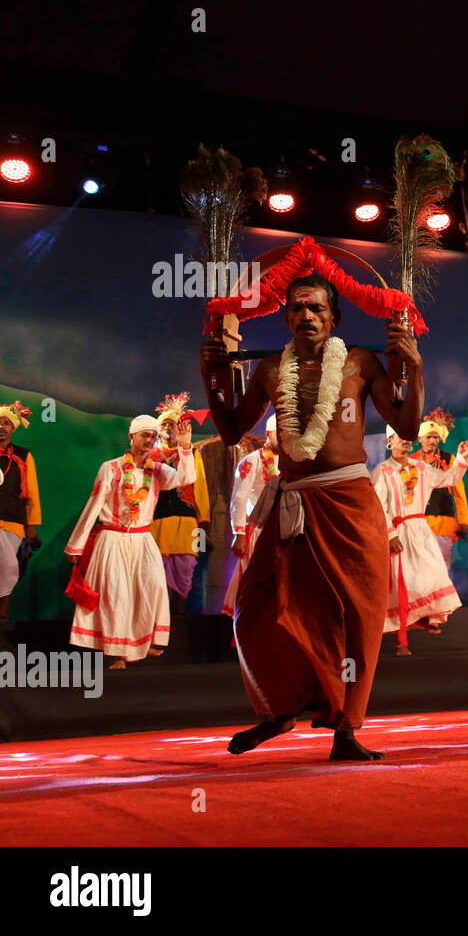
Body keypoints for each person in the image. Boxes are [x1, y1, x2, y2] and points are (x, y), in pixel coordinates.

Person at [200, 271, 425, 760]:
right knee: (256, 607)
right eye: (298, 309)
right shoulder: (269, 371)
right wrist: (213, 379)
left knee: (355, 617)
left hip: (349, 503)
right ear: (285, 316)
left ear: (334, 318)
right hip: (294, 502)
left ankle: (345, 729)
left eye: (318, 309)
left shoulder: (360, 364)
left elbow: (407, 426)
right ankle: (277, 712)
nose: (307, 316)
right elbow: (233, 430)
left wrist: (414, 367)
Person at [65, 415, 195, 668]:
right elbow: (93, 506)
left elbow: (185, 479)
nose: (150, 440)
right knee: (117, 595)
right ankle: (117, 654)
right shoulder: (110, 468)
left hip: (143, 539)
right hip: (112, 539)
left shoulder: (156, 471)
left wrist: (185, 447)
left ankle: (151, 639)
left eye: (153, 436)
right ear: (131, 437)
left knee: (154, 586)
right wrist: (77, 545)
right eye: (144, 435)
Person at [372, 426, 468, 652]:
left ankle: (426, 617)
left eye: (408, 438)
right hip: (399, 531)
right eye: (400, 437)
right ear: (389, 440)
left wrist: (462, 460)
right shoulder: (383, 471)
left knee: (434, 574)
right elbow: (378, 507)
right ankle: (401, 641)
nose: (406, 442)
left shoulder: (421, 468)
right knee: (402, 585)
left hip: (422, 531)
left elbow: (449, 478)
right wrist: (390, 534)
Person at [148, 392, 210, 657]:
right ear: (158, 430)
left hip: (186, 519)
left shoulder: (191, 453)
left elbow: (200, 485)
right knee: (157, 571)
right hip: (157, 519)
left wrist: (204, 519)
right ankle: (157, 617)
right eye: (165, 425)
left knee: (185, 566)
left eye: (174, 425)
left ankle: (180, 613)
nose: (169, 429)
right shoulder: (151, 455)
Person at [222, 415, 280, 619]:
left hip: (287, 533)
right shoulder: (252, 461)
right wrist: (239, 533)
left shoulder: (295, 462)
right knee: (256, 584)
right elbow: (239, 498)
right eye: (280, 432)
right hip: (259, 532)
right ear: (268, 434)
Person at [415, 408, 468, 570]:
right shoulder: (412, 461)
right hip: (418, 521)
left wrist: (463, 520)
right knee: (418, 568)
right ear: (420, 438)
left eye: (436, 437)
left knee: (441, 567)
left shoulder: (448, 459)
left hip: (443, 521)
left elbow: (458, 490)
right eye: (429, 437)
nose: (432, 441)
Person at [0, 401, 40, 622]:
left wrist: (31, 526)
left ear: (14, 428)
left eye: (6, 423)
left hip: (13, 522)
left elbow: (32, 493)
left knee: (8, 569)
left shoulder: (24, 456)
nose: (1, 426)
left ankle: (2, 613)